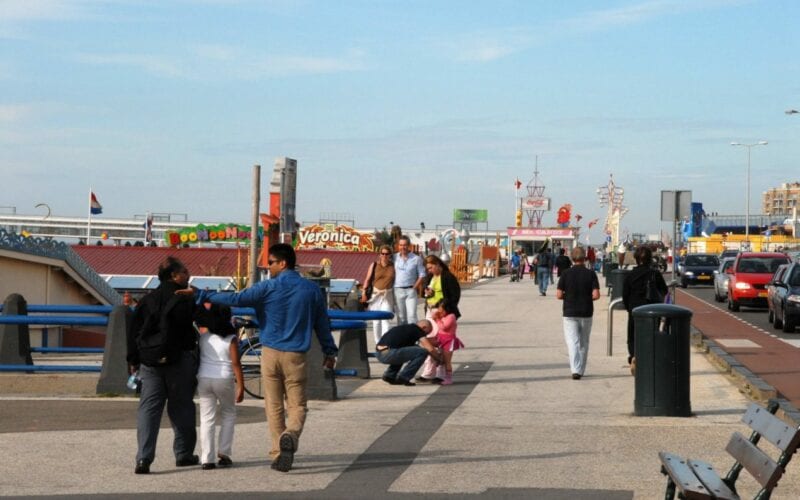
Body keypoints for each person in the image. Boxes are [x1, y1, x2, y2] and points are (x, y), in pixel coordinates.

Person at [195, 243, 338, 473]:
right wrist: (329, 351)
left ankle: (277, 451)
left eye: (270, 262)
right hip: (296, 355)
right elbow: (322, 323)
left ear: (282, 263)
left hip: (270, 352)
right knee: (298, 404)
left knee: (273, 405)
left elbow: (235, 299)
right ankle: (290, 434)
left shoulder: (267, 288)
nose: (268, 266)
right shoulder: (311, 290)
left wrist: (202, 294)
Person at [126, 256, 200, 474]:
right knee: (182, 407)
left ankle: (144, 458)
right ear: (174, 276)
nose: (188, 275)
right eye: (184, 272)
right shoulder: (184, 299)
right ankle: (184, 454)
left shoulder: (148, 299)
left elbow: (134, 332)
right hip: (180, 360)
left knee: (149, 409)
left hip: (150, 363)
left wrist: (133, 359)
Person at [195, 302, 245, 470]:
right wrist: (241, 387)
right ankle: (224, 453)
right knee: (229, 414)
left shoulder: (204, 337)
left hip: (204, 377)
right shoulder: (231, 338)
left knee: (206, 418)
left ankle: (206, 459)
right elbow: (236, 363)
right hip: (224, 378)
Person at [556, 247, 600, 380]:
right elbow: (596, 295)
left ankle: (575, 369)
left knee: (572, 341)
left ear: (572, 258)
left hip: (569, 311)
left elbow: (558, 295)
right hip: (586, 311)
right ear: (585, 257)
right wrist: (586, 297)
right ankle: (581, 369)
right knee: (584, 341)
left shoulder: (565, 274)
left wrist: (568, 297)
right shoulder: (591, 274)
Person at [622, 246, 669, 371]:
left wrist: (628, 308)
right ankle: (648, 358)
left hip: (634, 310)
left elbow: (625, 294)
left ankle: (634, 355)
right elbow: (664, 290)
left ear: (636, 259)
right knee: (651, 334)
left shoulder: (630, 275)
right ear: (649, 259)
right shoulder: (655, 273)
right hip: (652, 310)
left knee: (632, 335)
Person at [417, 255, 462, 382]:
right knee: (428, 340)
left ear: (438, 264)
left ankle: (440, 373)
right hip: (430, 311)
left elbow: (455, 296)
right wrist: (426, 293)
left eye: (431, 267)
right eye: (428, 268)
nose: (429, 270)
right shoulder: (430, 277)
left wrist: (443, 308)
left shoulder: (448, 277)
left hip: (442, 312)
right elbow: (423, 292)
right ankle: (428, 372)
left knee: (441, 341)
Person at [375, 320, 441, 386]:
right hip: (389, 353)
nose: (425, 335)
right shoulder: (417, 330)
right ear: (424, 327)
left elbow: (413, 348)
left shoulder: (405, 328)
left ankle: (389, 376)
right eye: (426, 333)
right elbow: (430, 349)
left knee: (405, 351)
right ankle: (404, 377)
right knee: (422, 352)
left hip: (379, 353)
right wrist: (439, 360)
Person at [360, 244, 396, 344]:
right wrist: (364, 292)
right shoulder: (374, 265)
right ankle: (377, 343)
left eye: (387, 254)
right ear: (379, 254)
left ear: (390, 255)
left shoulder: (393, 266)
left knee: (386, 319)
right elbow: (367, 279)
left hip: (387, 294)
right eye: (382, 253)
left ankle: (385, 342)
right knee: (376, 321)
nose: (384, 256)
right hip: (375, 294)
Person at [393, 235, 427, 325]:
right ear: (398, 246)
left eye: (405, 245)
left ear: (409, 245)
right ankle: (403, 338)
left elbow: (422, 274)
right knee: (401, 317)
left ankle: (414, 338)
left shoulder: (416, 259)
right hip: (398, 290)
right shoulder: (394, 258)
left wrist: (415, 286)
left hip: (410, 291)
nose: (402, 247)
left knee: (412, 316)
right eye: (401, 245)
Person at [429, 299, 464, 386]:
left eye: (442, 309)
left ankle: (448, 378)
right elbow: (434, 319)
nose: (440, 311)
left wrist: (437, 319)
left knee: (447, 361)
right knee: (441, 359)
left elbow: (444, 327)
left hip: (449, 340)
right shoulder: (442, 315)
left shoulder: (451, 316)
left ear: (447, 309)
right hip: (441, 338)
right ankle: (441, 375)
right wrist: (436, 315)